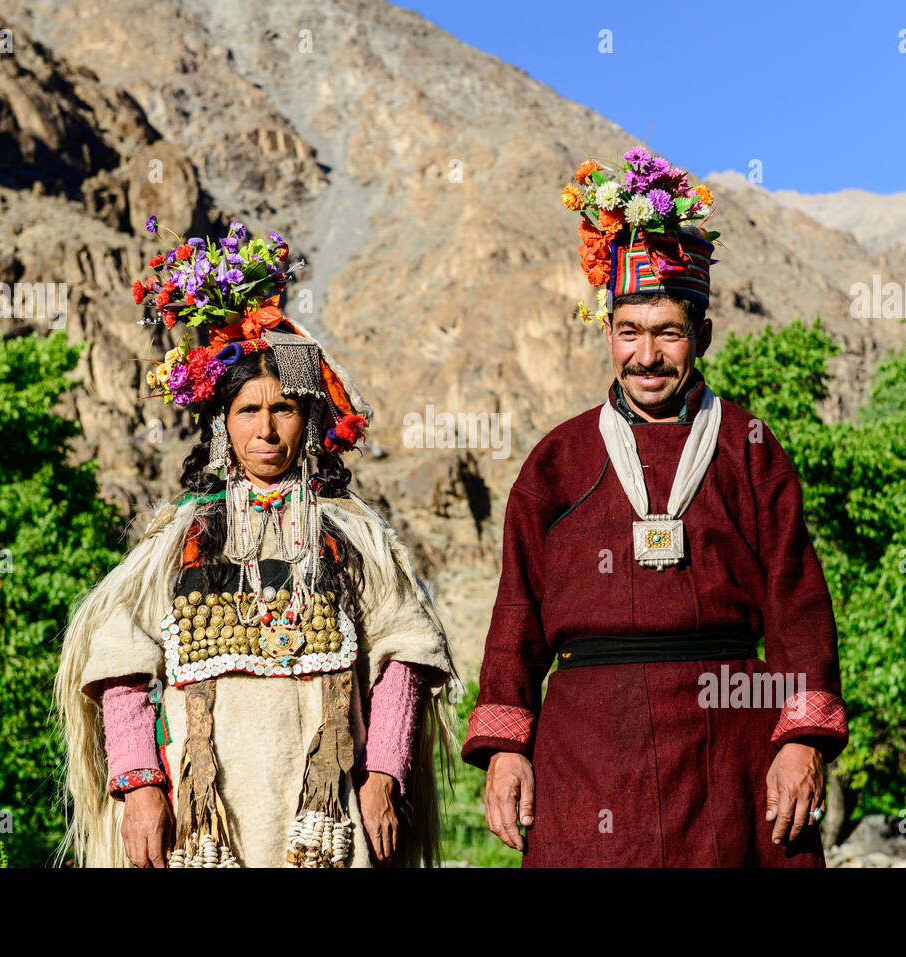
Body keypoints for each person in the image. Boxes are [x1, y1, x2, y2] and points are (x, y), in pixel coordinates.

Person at [461, 146, 848, 866]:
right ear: (607, 333)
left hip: (729, 738)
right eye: (629, 333)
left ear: (700, 334)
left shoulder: (749, 446)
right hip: (588, 747)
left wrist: (800, 739)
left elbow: (797, 602)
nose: (647, 356)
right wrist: (508, 748)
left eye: (668, 332)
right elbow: (517, 611)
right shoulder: (558, 460)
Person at [56, 220, 459, 868]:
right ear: (222, 424)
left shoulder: (355, 539)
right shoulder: (177, 542)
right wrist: (139, 787)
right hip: (204, 826)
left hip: (328, 821)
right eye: (248, 410)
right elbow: (119, 660)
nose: (266, 430)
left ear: (310, 421)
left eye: (285, 409)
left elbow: (406, 653)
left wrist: (384, 776)